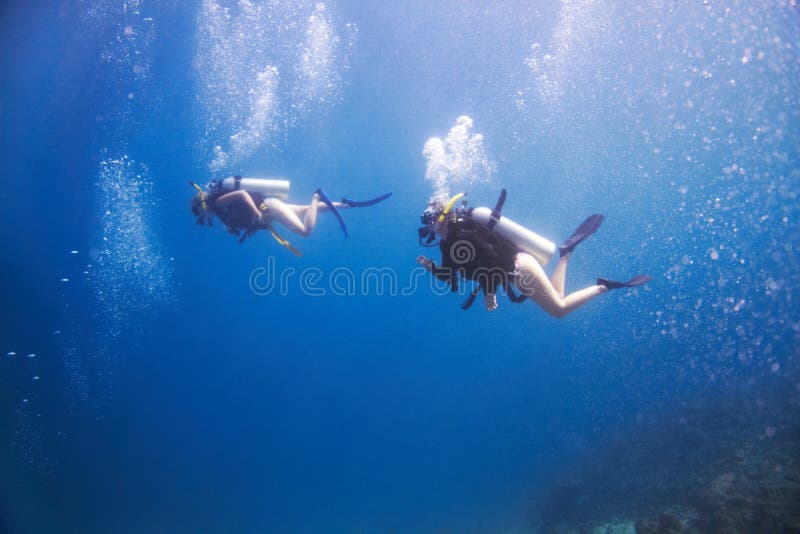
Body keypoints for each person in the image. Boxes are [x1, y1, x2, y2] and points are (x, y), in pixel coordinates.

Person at [416, 190, 651, 315]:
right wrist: (431, 267)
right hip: (517, 272)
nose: (430, 228)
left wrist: (489, 292)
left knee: (559, 310)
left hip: (519, 267)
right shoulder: (448, 244)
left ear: (442, 215)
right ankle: (566, 252)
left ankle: (604, 286)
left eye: (430, 221)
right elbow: (452, 278)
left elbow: (492, 258)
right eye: (427, 225)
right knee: (557, 295)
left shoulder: (463, 233)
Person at [191, 176, 390, 256]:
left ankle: (316, 194)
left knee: (305, 231)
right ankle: (347, 205)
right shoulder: (222, 214)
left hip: (269, 206)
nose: (204, 218)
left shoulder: (218, 203)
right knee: (306, 210)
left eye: (201, 214)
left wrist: (254, 213)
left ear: (202, 205)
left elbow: (243, 195)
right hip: (271, 212)